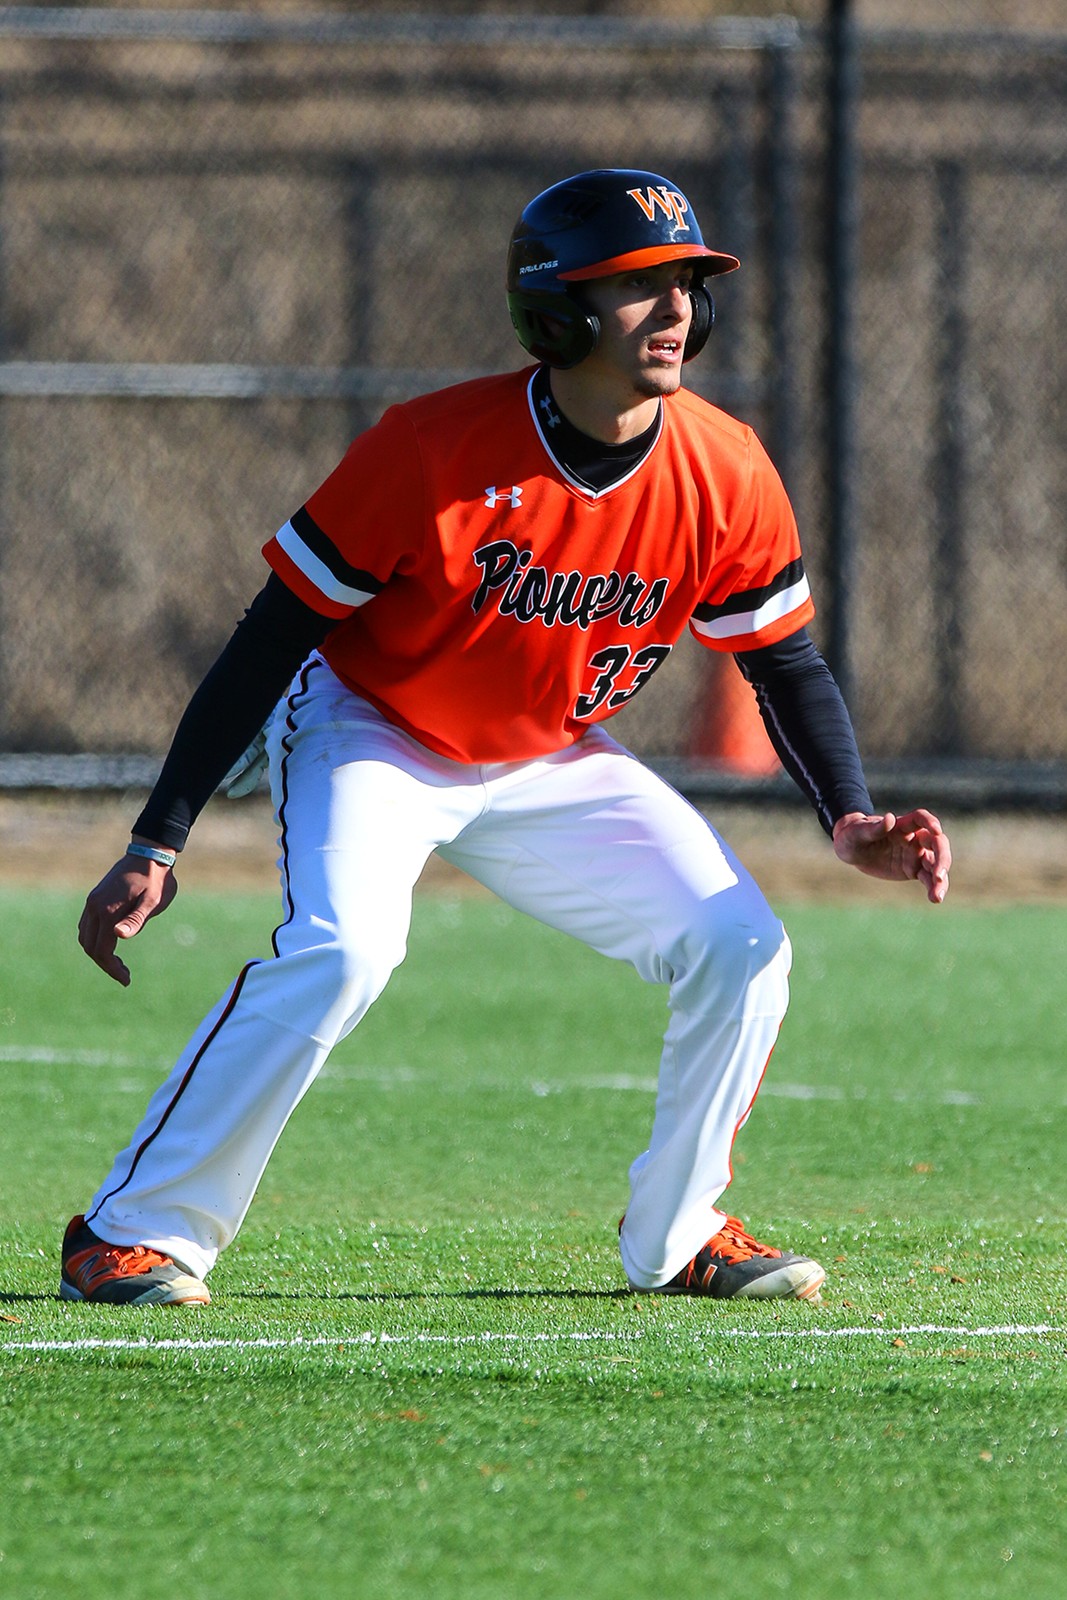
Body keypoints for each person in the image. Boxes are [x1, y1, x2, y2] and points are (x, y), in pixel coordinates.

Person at [63, 168, 950, 1308]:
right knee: (344, 952)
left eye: (686, 282)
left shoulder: (724, 467)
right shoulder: (431, 450)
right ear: (555, 309)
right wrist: (159, 838)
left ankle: (678, 1235)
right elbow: (271, 635)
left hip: (545, 755)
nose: (675, 307)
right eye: (636, 283)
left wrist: (849, 816)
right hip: (374, 727)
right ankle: (129, 1232)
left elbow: (781, 659)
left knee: (741, 946)